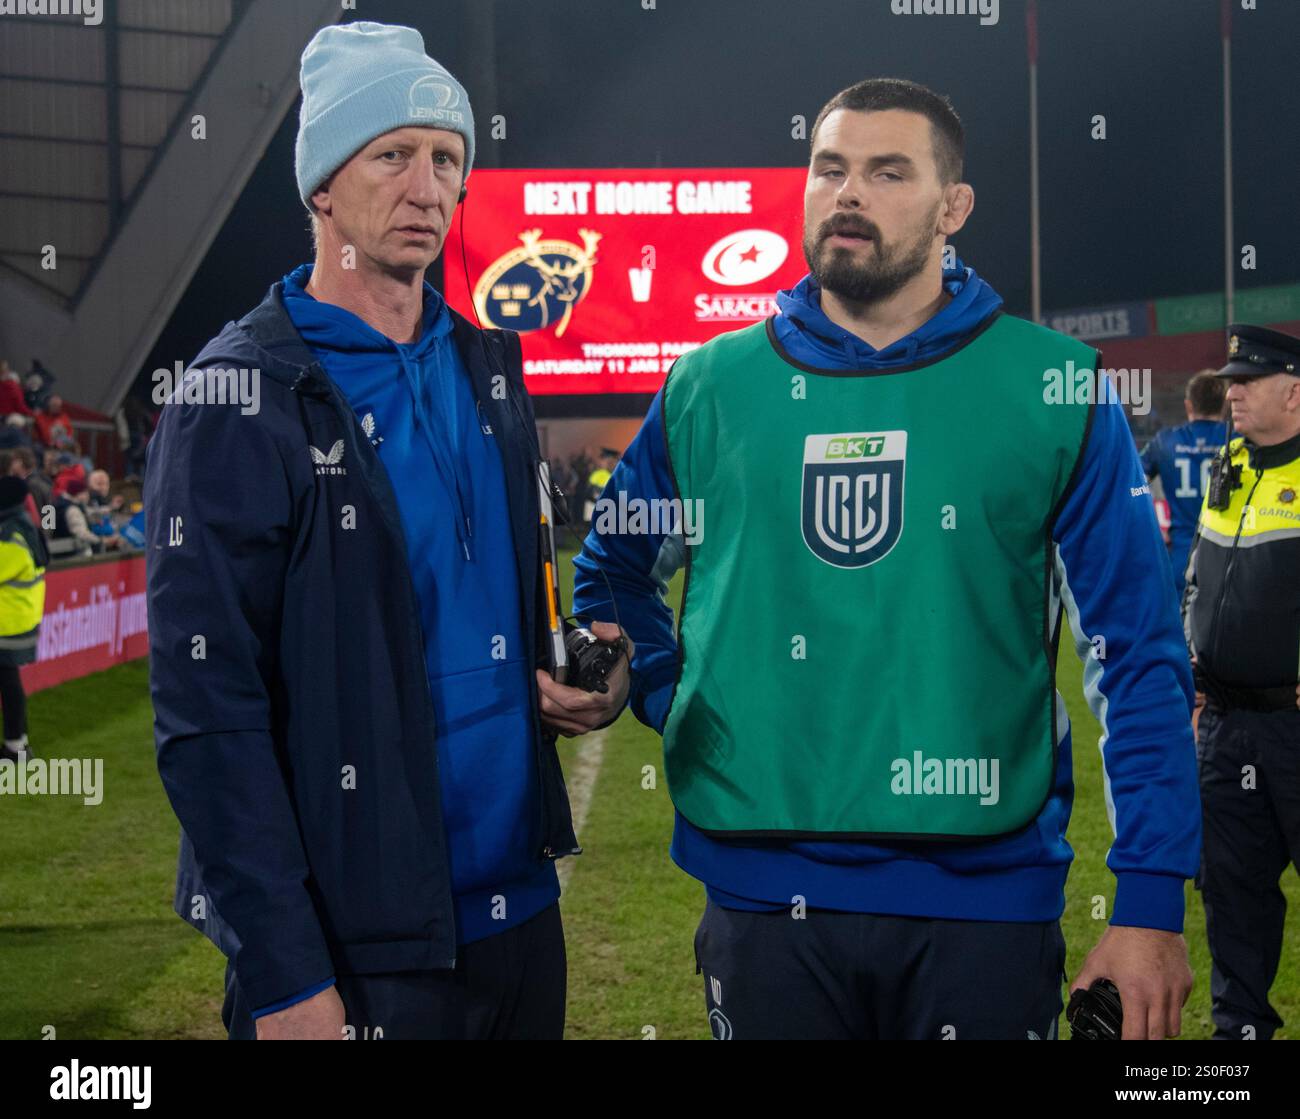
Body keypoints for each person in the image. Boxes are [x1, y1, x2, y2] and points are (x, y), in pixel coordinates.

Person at [569, 77, 1199, 1040]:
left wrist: (1151, 899)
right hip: (760, 895)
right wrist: (666, 687)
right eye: (831, 168)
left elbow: (1138, 650)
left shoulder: (1056, 384)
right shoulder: (709, 384)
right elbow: (614, 568)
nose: (849, 192)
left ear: (955, 207)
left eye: (887, 171)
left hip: (984, 897)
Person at [146, 20, 627, 1042]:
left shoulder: (489, 368)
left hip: (520, 922)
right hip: (355, 953)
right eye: (392, 154)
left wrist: (571, 679)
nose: (427, 186)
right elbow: (205, 708)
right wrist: (281, 975)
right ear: (323, 184)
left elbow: (490, 606)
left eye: (448, 157)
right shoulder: (238, 392)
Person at [1183, 323, 1300, 1041]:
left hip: (1291, 722)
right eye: (1229, 379)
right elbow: (1201, 574)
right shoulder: (1231, 462)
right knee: (1230, 891)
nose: (1232, 391)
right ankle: (1241, 1039)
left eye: (1247, 380)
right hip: (1225, 726)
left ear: (1294, 390)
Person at [1141, 371, 1228, 595]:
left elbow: (1130, 484)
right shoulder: (1236, 438)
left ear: (1189, 405)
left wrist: (1151, 525)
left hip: (1183, 553)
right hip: (1229, 553)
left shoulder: (1165, 441)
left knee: (1184, 626)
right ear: (1224, 404)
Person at [0, 476, 47, 763]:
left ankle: (16, 747)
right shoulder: (25, 525)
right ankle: (19, 744)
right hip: (20, 618)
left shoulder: (9, 534)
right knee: (9, 682)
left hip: (7, 621)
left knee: (8, 682)